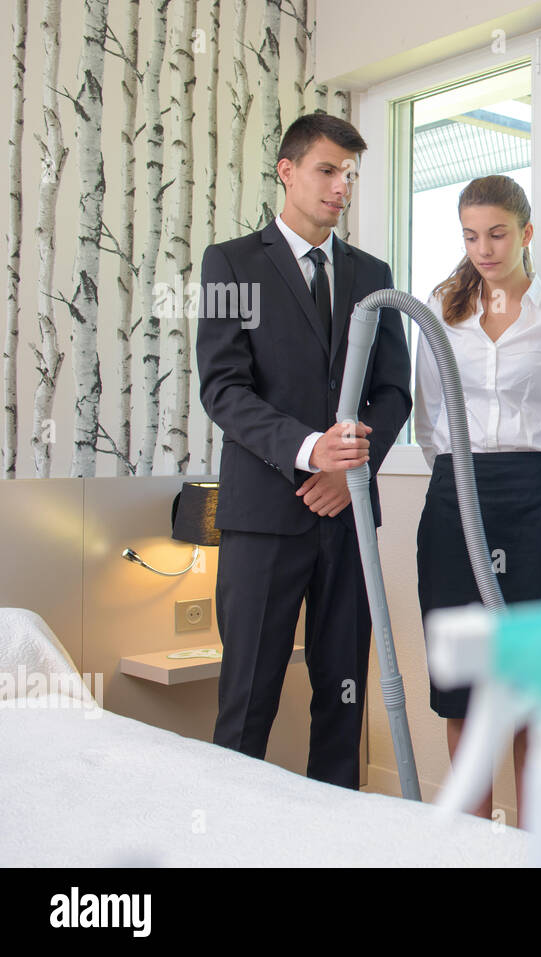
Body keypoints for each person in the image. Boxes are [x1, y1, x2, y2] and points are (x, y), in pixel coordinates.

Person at [197, 113, 412, 789]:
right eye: (327, 169)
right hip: (265, 516)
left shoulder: (372, 273)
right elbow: (223, 389)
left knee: (344, 697)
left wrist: (348, 470)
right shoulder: (231, 262)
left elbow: (394, 390)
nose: (341, 185)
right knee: (248, 699)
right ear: (287, 171)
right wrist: (310, 450)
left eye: (350, 173)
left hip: (346, 518)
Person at [414, 175, 541, 821]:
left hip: (530, 497)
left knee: (529, 679)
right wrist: (461, 478)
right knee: (463, 680)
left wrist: (531, 481)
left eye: (497, 233)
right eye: (470, 235)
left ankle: (533, 842)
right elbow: (429, 417)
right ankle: (471, 843)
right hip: (452, 495)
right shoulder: (440, 305)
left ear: (526, 233)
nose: (483, 248)